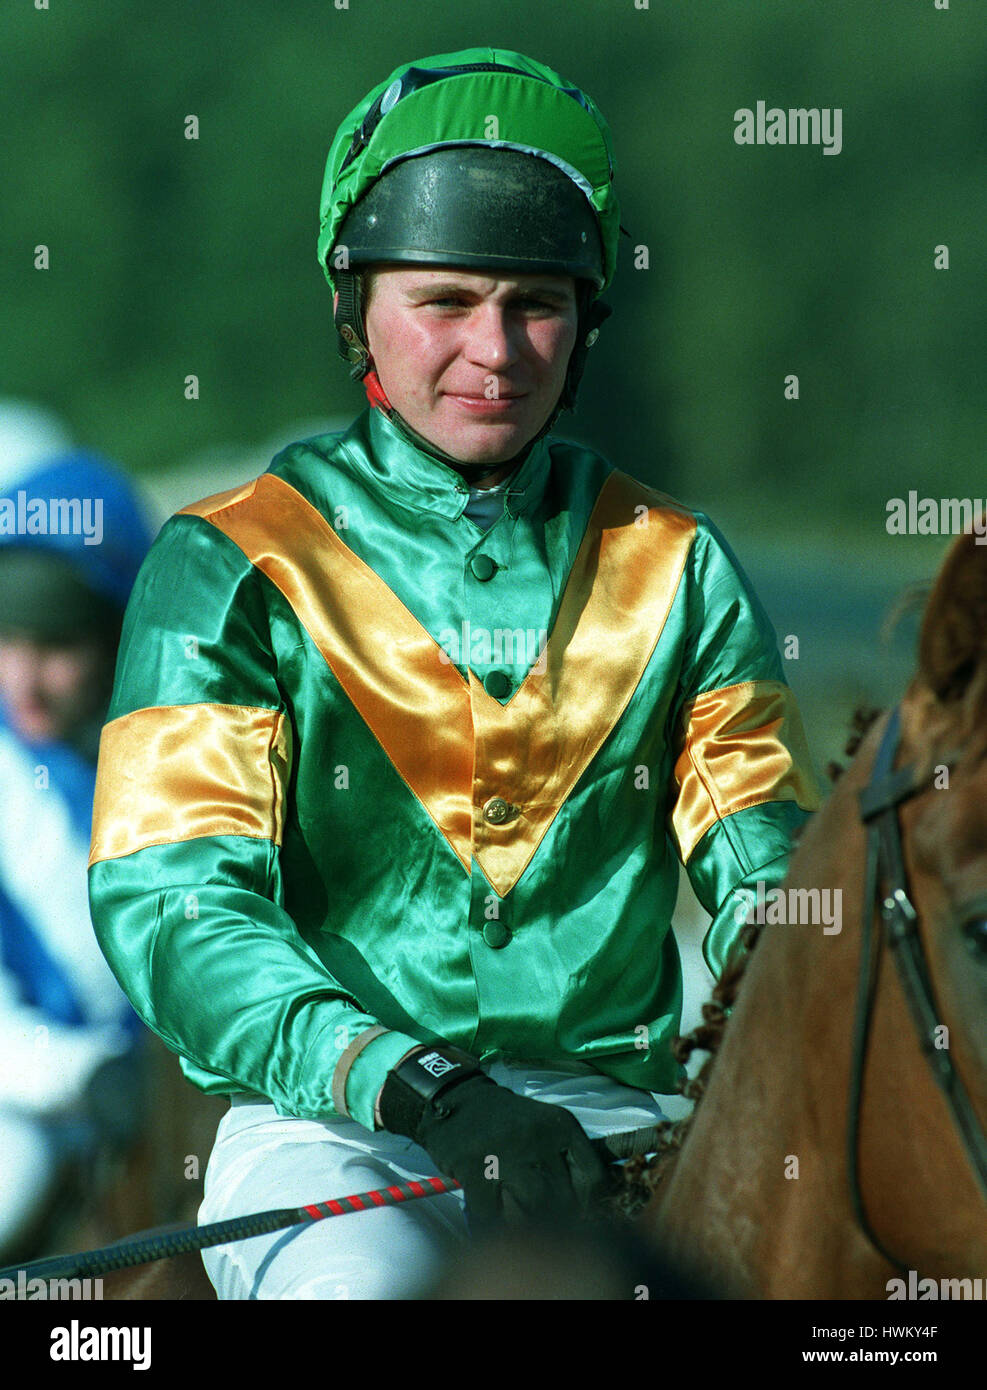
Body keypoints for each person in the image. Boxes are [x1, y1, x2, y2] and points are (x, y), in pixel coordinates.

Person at [88, 48, 821, 1300]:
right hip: (330, 1133)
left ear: (586, 321)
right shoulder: (226, 563)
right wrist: (412, 1079)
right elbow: (175, 905)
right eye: (445, 300)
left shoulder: (678, 564)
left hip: (616, 1127)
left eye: (536, 302)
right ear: (353, 303)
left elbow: (775, 879)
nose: (494, 348)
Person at [0, 448, 153, 1261]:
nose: (22, 683)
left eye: (57, 647)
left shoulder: (189, 755)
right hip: (24, 1107)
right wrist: (87, 1076)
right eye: (4, 640)